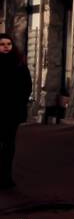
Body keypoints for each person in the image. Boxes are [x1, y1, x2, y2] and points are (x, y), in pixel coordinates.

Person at [0, 33, 32, 189]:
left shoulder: (19, 65)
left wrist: (20, 102)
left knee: (8, 144)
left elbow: (27, 86)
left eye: (8, 44)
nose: (6, 47)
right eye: (2, 44)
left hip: (12, 111)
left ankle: (6, 177)